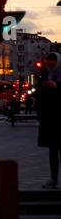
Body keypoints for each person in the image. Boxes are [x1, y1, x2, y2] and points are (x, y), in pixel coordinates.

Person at [36, 52, 60, 188]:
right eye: (49, 61)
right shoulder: (45, 75)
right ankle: (54, 179)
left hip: (59, 117)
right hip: (50, 119)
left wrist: (56, 86)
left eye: (53, 61)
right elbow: (39, 94)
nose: (50, 63)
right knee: (52, 150)